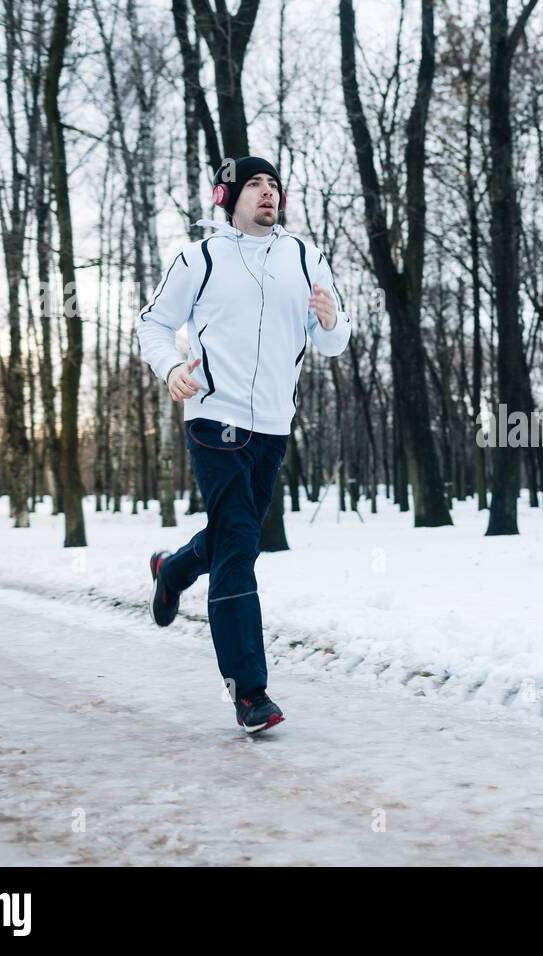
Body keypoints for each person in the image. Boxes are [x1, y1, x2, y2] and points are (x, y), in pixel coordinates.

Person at [136, 156, 352, 734]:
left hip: (274, 424)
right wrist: (169, 368)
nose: (268, 193)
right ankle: (249, 690)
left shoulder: (304, 257)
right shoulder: (199, 258)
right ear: (227, 198)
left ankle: (174, 570)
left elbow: (333, 342)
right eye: (255, 184)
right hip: (215, 416)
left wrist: (332, 321)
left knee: (237, 533)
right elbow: (152, 323)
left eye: (275, 184)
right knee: (238, 548)